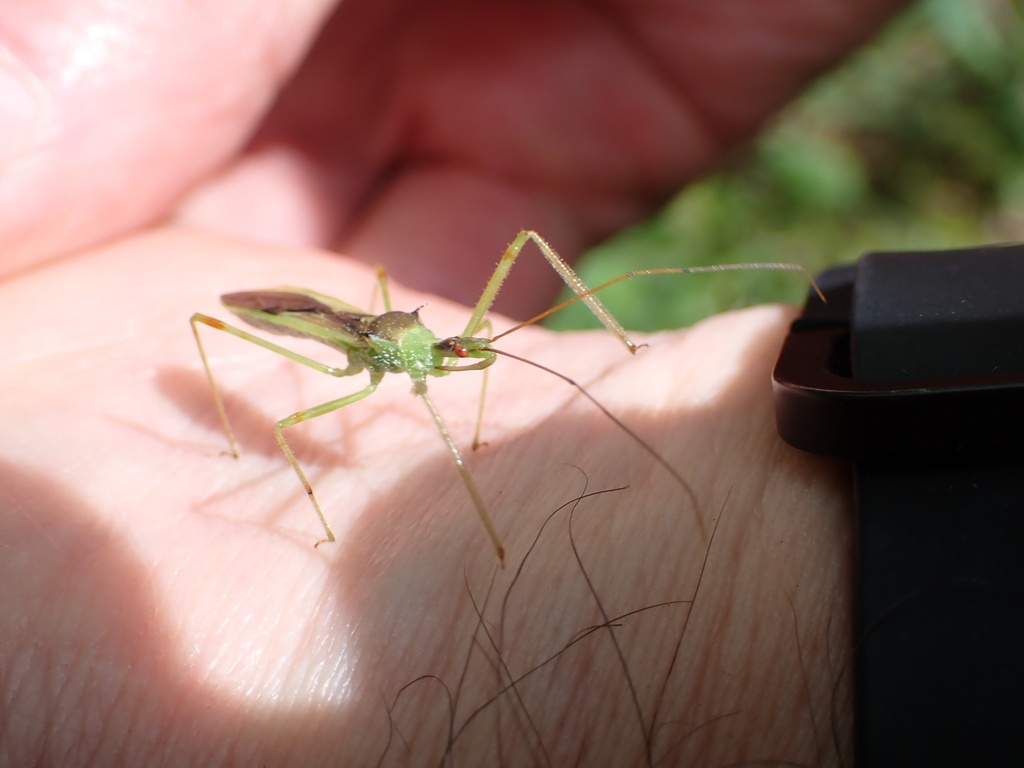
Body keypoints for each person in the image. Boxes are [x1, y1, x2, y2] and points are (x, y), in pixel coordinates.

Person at [0, 2, 910, 764]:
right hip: (323, 330)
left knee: (511, 284)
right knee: (281, 409)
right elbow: (307, 425)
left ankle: (620, 337)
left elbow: (441, 349)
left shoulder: (436, 350)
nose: (452, 369)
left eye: (450, 361)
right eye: (443, 364)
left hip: (384, 327)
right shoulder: (379, 370)